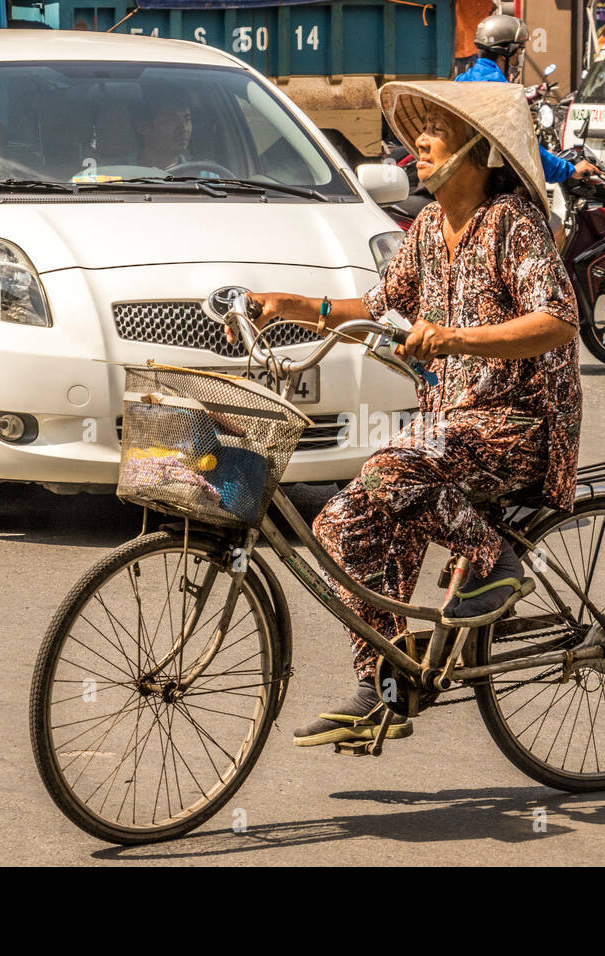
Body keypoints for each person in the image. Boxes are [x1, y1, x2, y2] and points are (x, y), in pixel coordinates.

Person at [232, 81, 583, 747]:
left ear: (478, 153)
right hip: (450, 427)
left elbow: (557, 322)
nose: (418, 147)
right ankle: (385, 686)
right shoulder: (425, 229)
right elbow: (378, 306)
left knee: (391, 467)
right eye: (420, 136)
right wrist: (292, 306)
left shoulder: (512, 224)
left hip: (519, 426)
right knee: (340, 527)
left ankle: (493, 561)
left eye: (436, 136)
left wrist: (454, 338)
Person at [456, 14, 598, 185]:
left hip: (462, 176)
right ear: (506, 51)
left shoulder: (461, 81)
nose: (520, 56)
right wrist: (569, 170)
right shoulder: (502, 91)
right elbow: (524, 146)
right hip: (486, 183)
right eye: (520, 50)